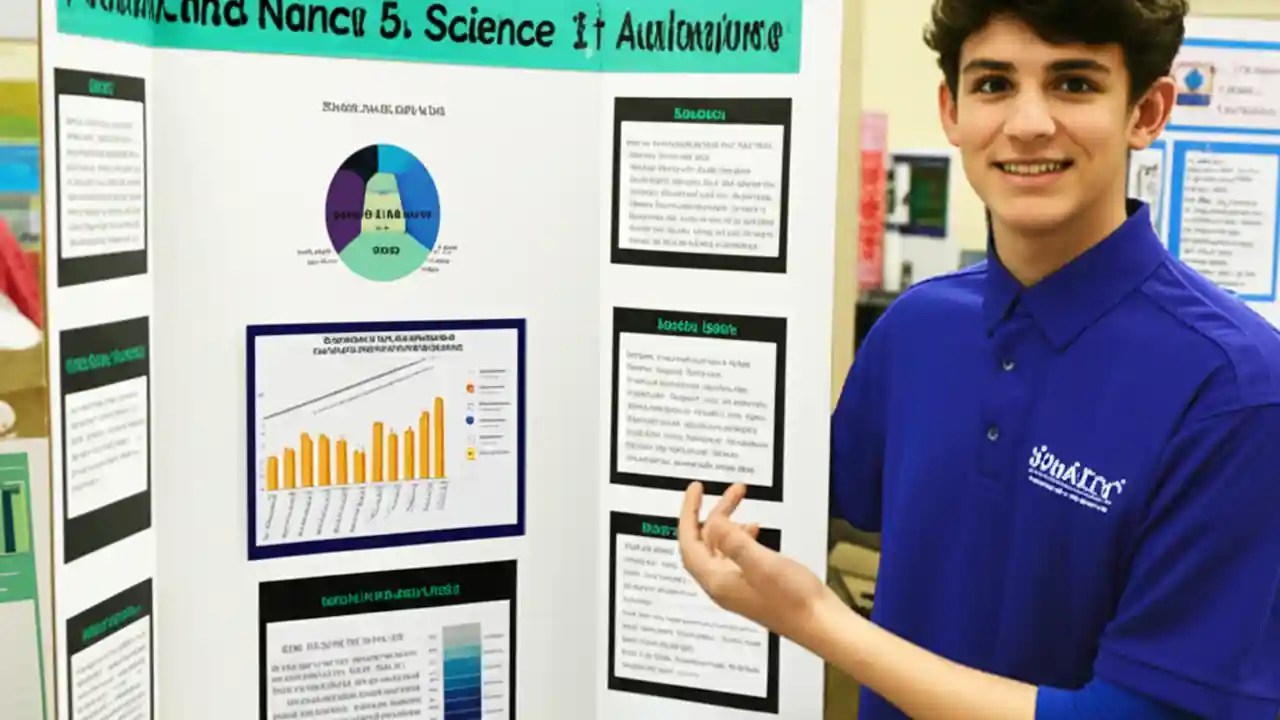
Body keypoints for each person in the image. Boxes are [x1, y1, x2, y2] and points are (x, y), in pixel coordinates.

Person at [677, 1, 1280, 718]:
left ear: (1146, 112)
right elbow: (806, 509)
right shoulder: (915, 331)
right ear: (952, 110)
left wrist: (817, 623)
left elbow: (1137, 712)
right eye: (994, 84)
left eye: (1074, 84)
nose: (1027, 124)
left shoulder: (1236, 388)